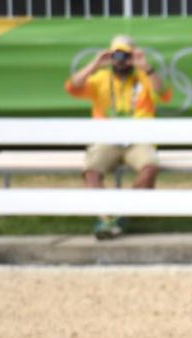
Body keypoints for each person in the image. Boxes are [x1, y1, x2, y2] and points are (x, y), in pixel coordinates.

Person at [64, 35, 172, 240]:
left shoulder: (144, 77)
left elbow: (164, 93)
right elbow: (73, 86)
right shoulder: (101, 78)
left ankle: (121, 214)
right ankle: (105, 217)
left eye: (126, 55)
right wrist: (95, 64)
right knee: (91, 170)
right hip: (106, 138)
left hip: (139, 139)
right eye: (117, 55)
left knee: (150, 168)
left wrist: (145, 67)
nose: (121, 60)